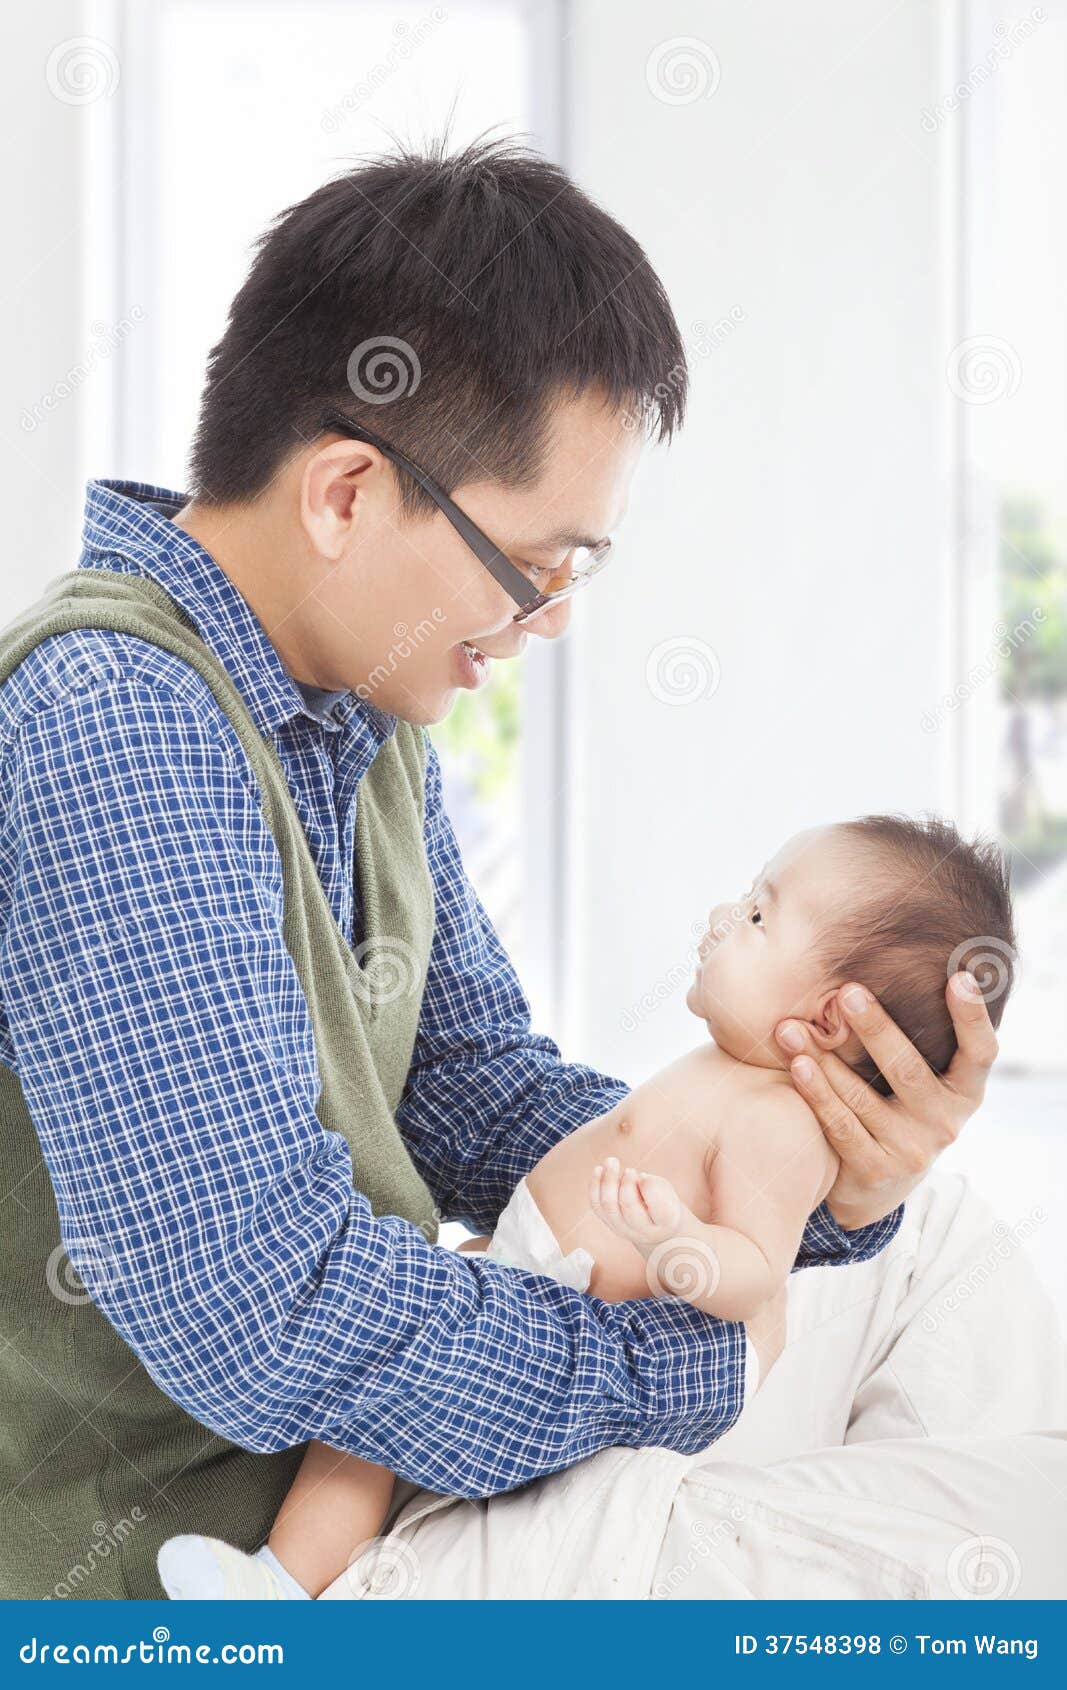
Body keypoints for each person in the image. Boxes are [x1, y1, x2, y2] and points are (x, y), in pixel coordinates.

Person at [0, 139, 998, 1601]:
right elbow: (264, 1306)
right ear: (345, 492)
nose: (548, 618)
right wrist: (682, 1354)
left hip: (395, 1470)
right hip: (197, 1561)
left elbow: (480, 1099)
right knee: (957, 1554)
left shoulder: (357, 702)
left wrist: (806, 1164)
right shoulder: (115, 720)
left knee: (934, 1250)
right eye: (537, 563)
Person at [157, 813, 1014, 1598]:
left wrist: (681, 1241)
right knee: (364, 1422)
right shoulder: (731, 1072)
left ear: (831, 1019)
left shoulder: (778, 1123)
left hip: (559, 1316)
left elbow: (754, 1279)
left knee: (369, 1431)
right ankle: (283, 1578)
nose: (723, 914)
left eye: (758, 916)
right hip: (528, 1288)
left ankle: (287, 1584)